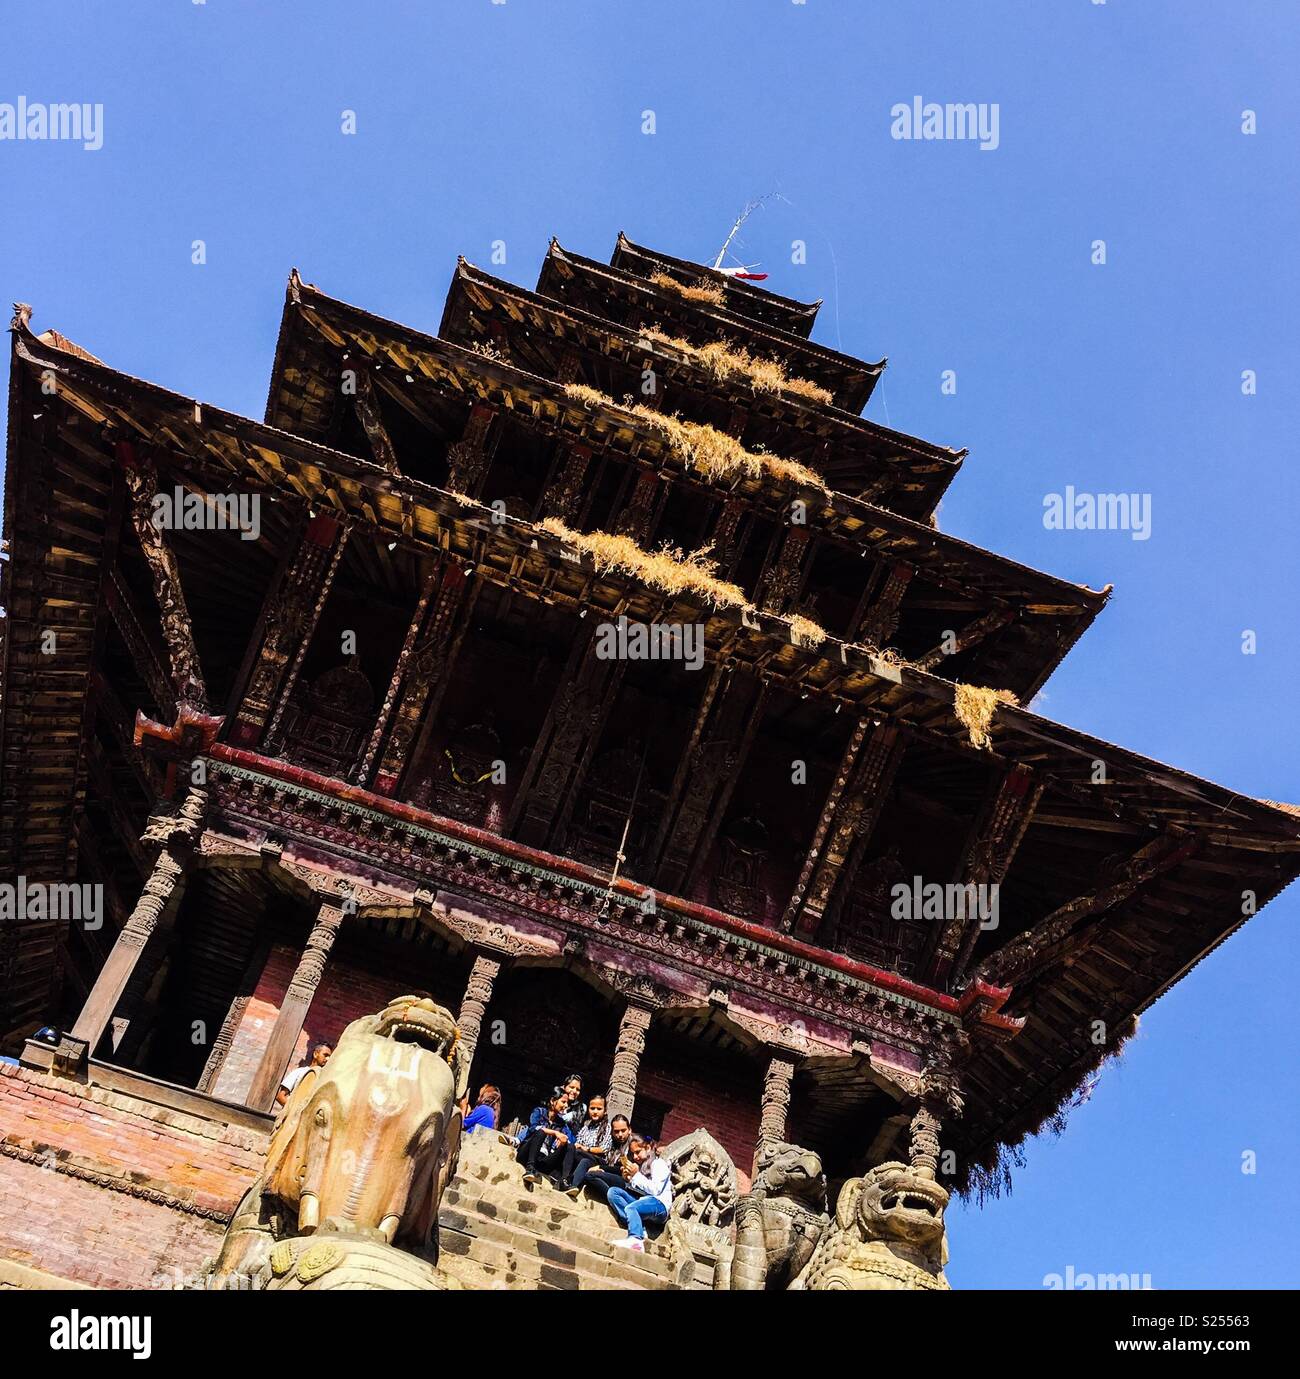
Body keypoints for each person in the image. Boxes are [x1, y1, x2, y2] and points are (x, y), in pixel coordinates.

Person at [607, 1137, 672, 1252]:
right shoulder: (642, 1167)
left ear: (647, 1148)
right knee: (613, 1192)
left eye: (638, 1152)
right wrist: (629, 1178)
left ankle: (635, 1239)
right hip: (643, 1201)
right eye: (633, 1154)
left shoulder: (658, 1164)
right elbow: (642, 1190)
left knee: (632, 1208)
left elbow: (655, 1190)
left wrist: (636, 1175)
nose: (635, 1157)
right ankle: (640, 1229)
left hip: (659, 1205)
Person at [558, 1094, 612, 1197]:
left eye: (599, 1108)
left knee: (584, 1161)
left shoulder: (607, 1127)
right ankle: (564, 1179)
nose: (595, 1111)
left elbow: (604, 1148)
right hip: (582, 1154)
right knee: (570, 1148)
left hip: (597, 1160)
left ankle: (574, 1186)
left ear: (605, 1111)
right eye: (592, 1108)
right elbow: (579, 1141)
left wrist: (586, 1148)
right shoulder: (586, 1126)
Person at [518, 1093, 574, 1185]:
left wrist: (563, 1142)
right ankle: (530, 1169)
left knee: (570, 1147)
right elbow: (533, 1128)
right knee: (541, 1132)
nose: (566, 1106)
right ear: (552, 1101)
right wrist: (555, 1133)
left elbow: (569, 1139)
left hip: (543, 1160)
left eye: (567, 1103)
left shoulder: (561, 1123)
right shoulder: (539, 1112)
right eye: (563, 1102)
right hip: (527, 1155)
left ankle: (564, 1181)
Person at [578, 1113, 634, 1200]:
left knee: (590, 1175)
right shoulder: (612, 1143)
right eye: (616, 1131)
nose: (620, 1134)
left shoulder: (632, 1145)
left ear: (629, 1130)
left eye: (623, 1130)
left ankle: (613, 1199)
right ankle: (572, 1187)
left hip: (625, 1181)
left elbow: (624, 1168)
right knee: (585, 1162)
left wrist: (601, 1167)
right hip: (610, 1174)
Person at [276, 1043, 331, 1108]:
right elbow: (280, 1096)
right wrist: (294, 1112)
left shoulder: (325, 1079)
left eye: (329, 1057)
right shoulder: (299, 1072)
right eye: (325, 1055)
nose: (328, 1059)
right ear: (315, 1054)